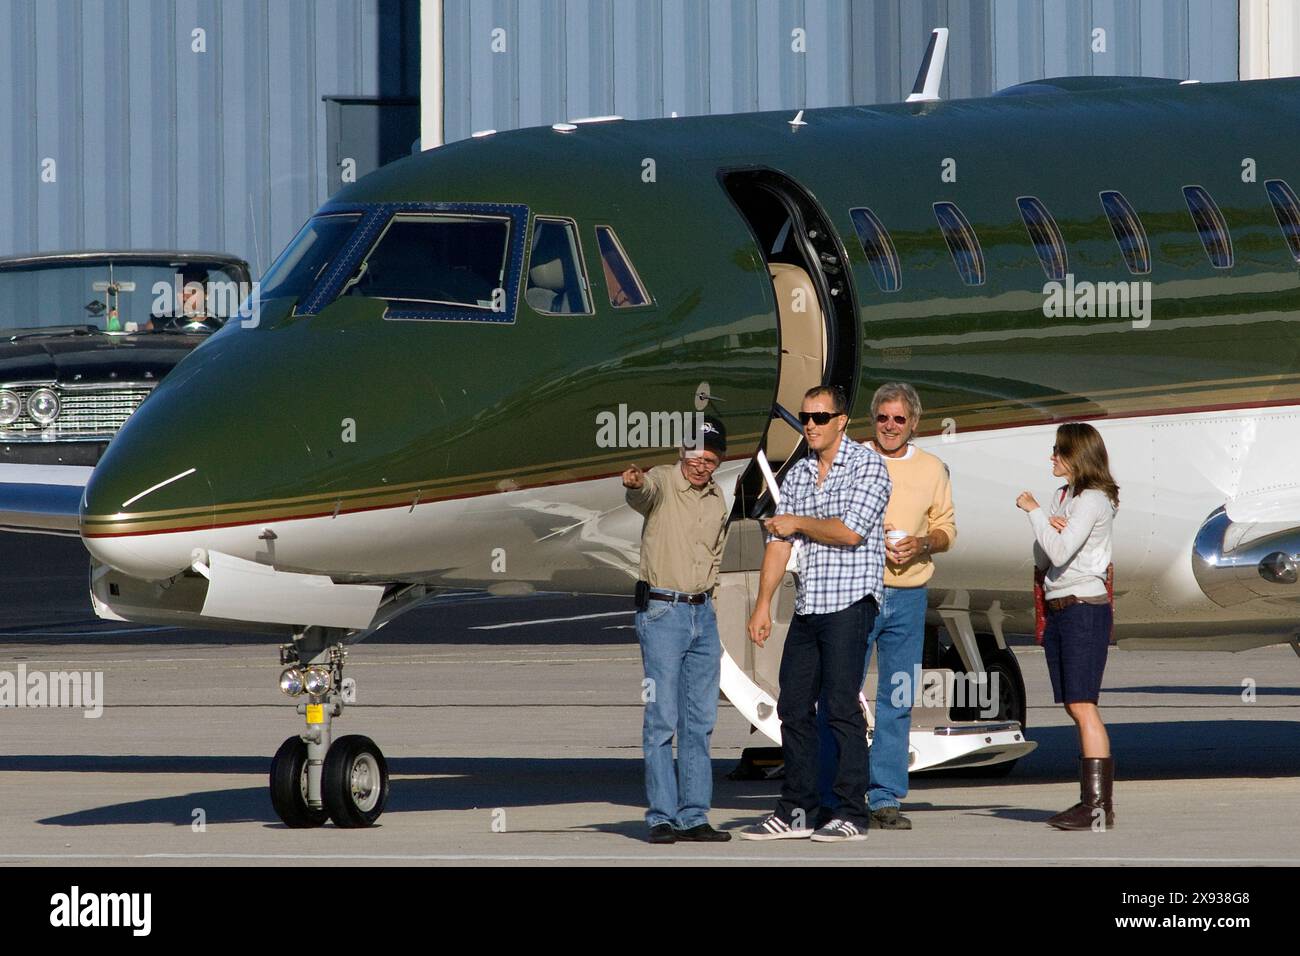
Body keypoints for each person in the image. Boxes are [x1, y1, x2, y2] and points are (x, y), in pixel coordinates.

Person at [740, 385, 891, 843]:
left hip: (850, 602)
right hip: (809, 605)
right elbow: (779, 542)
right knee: (793, 706)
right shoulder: (801, 472)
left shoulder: (868, 467)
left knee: (841, 708)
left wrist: (797, 523)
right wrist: (763, 604)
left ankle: (851, 811)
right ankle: (797, 808)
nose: (810, 425)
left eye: (821, 418)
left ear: (842, 420)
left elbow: (850, 533)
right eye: (806, 417)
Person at [814, 382, 955, 829]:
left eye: (899, 419)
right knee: (839, 696)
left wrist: (922, 543)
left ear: (913, 423)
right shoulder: (851, 458)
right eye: (882, 418)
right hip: (856, 593)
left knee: (896, 698)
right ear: (871, 420)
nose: (890, 426)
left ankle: (884, 796)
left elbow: (947, 529)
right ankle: (833, 792)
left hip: (910, 596)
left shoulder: (932, 468)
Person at [623, 415, 731, 844]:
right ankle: (661, 816)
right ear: (681, 453)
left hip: (702, 614)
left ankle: (694, 814)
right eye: (694, 455)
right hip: (664, 612)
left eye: (710, 457)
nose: (701, 464)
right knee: (662, 718)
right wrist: (634, 483)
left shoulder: (717, 497)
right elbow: (643, 493)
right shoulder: (664, 482)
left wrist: (714, 610)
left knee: (700, 720)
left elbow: (716, 558)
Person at [1016, 422, 1119, 830]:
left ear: (1077, 455)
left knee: (1083, 704)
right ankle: (1092, 804)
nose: (1052, 457)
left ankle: (1097, 805)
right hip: (1060, 606)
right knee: (1072, 704)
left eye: (1059, 450)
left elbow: (1058, 549)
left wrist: (1036, 512)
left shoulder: (1092, 499)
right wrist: (1048, 523)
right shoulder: (1067, 496)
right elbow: (1044, 557)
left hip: (1083, 608)